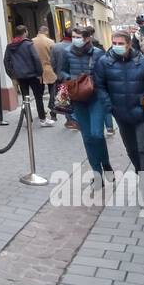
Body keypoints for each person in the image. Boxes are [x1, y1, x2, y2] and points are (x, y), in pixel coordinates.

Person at [94, 30, 144, 206]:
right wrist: (109, 107)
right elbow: (100, 86)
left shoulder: (142, 62)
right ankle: (141, 171)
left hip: (143, 114)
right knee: (132, 151)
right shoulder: (104, 62)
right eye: (115, 43)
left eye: (121, 43)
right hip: (121, 114)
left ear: (129, 44)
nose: (117, 46)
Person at [58, 26, 112, 183]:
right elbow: (60, 72)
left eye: (79, 37)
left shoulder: (98, 53)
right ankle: (97, 173)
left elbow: (105, 75)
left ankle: (106, 163)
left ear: (87, 38)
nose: (76, 39)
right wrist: (72, 78)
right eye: (74, 36)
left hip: (96, 98)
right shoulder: (66, 52)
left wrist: (92, 81)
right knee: (87, 137)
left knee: (97, 134)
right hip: (77, 98)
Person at [2, 25, 48, 126]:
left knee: (25, 98)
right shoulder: (28, 44)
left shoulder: (10, 46)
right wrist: (40, 73)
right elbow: (36, 58)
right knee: (38, 97)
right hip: (32, 75)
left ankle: (28, 120)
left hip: (20, 76)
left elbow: (6, 61)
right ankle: (42, 119)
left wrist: (12, 75)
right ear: (25, 32)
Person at [32, 25, 58, 125]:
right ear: (46, 32)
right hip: (49, 69)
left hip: (37, 71)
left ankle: (41, 113)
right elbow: (54, 57)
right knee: (53, 92)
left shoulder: (31, 41)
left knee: (38, 95)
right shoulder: (50, 42)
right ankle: (53, 113)